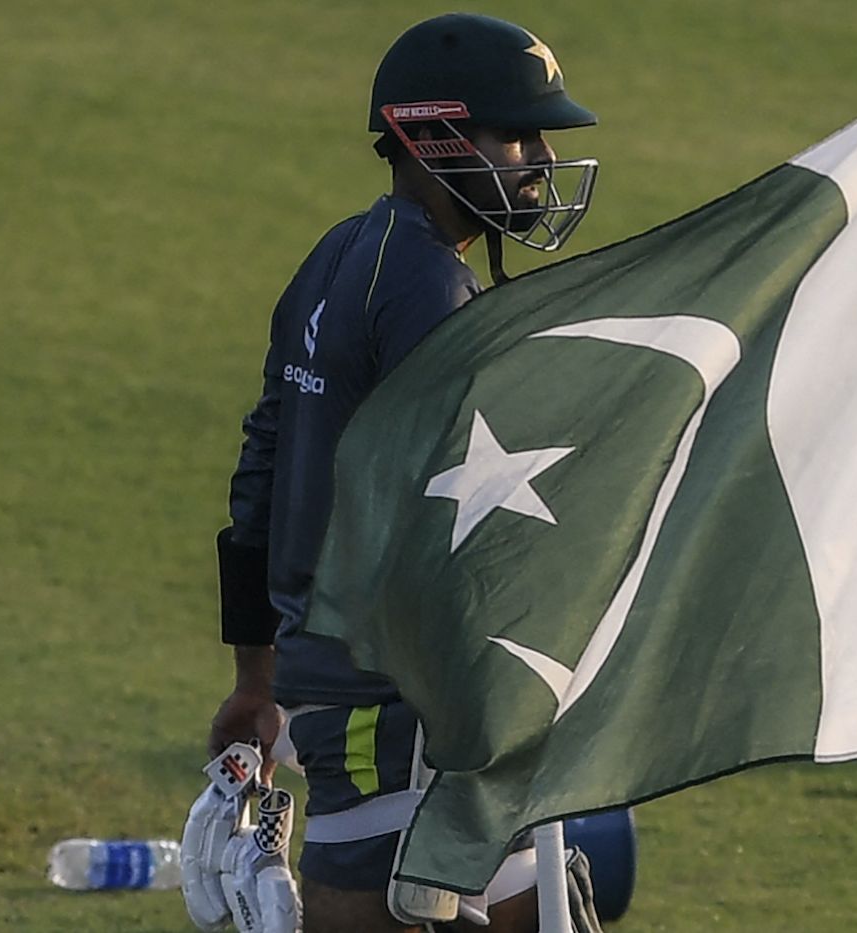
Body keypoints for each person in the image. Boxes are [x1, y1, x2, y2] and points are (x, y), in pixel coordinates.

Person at [205, 13, 599, 932]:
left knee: (541, 904)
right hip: (401, 692)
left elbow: (261, 475)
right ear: (434, 137)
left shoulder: (337, 254)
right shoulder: (429, 289)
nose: (540, 159)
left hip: (346, 676)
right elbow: (467, 514)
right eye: (517, 135)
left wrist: (256, 678)